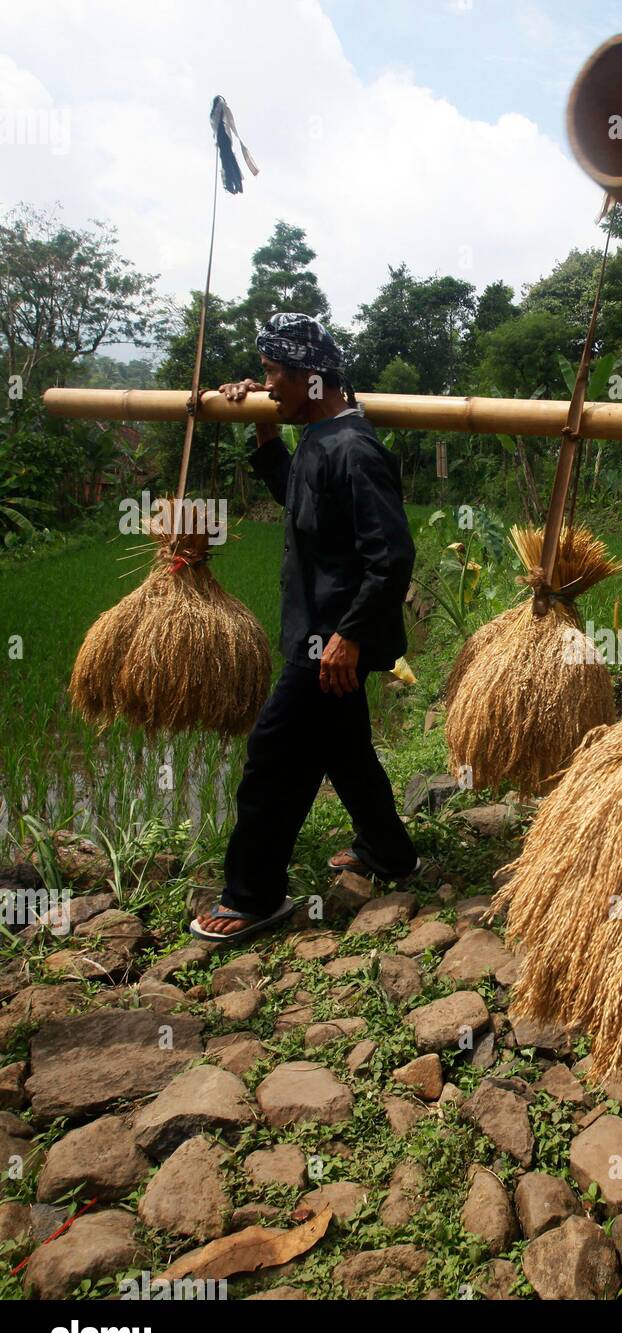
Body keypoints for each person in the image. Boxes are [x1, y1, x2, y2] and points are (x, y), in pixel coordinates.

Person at [192, 312, 419, 942]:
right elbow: (298, 495)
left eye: (273, 377)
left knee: (273, 755)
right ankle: (391, 853)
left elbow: (392, 556)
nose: (268, 387)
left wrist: (347, 637)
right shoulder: (320, 437)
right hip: (319, 634)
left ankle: (252, 895)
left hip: (331, 640)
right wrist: (263, 424)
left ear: (311, 378)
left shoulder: (353, 448)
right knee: (344, 751)